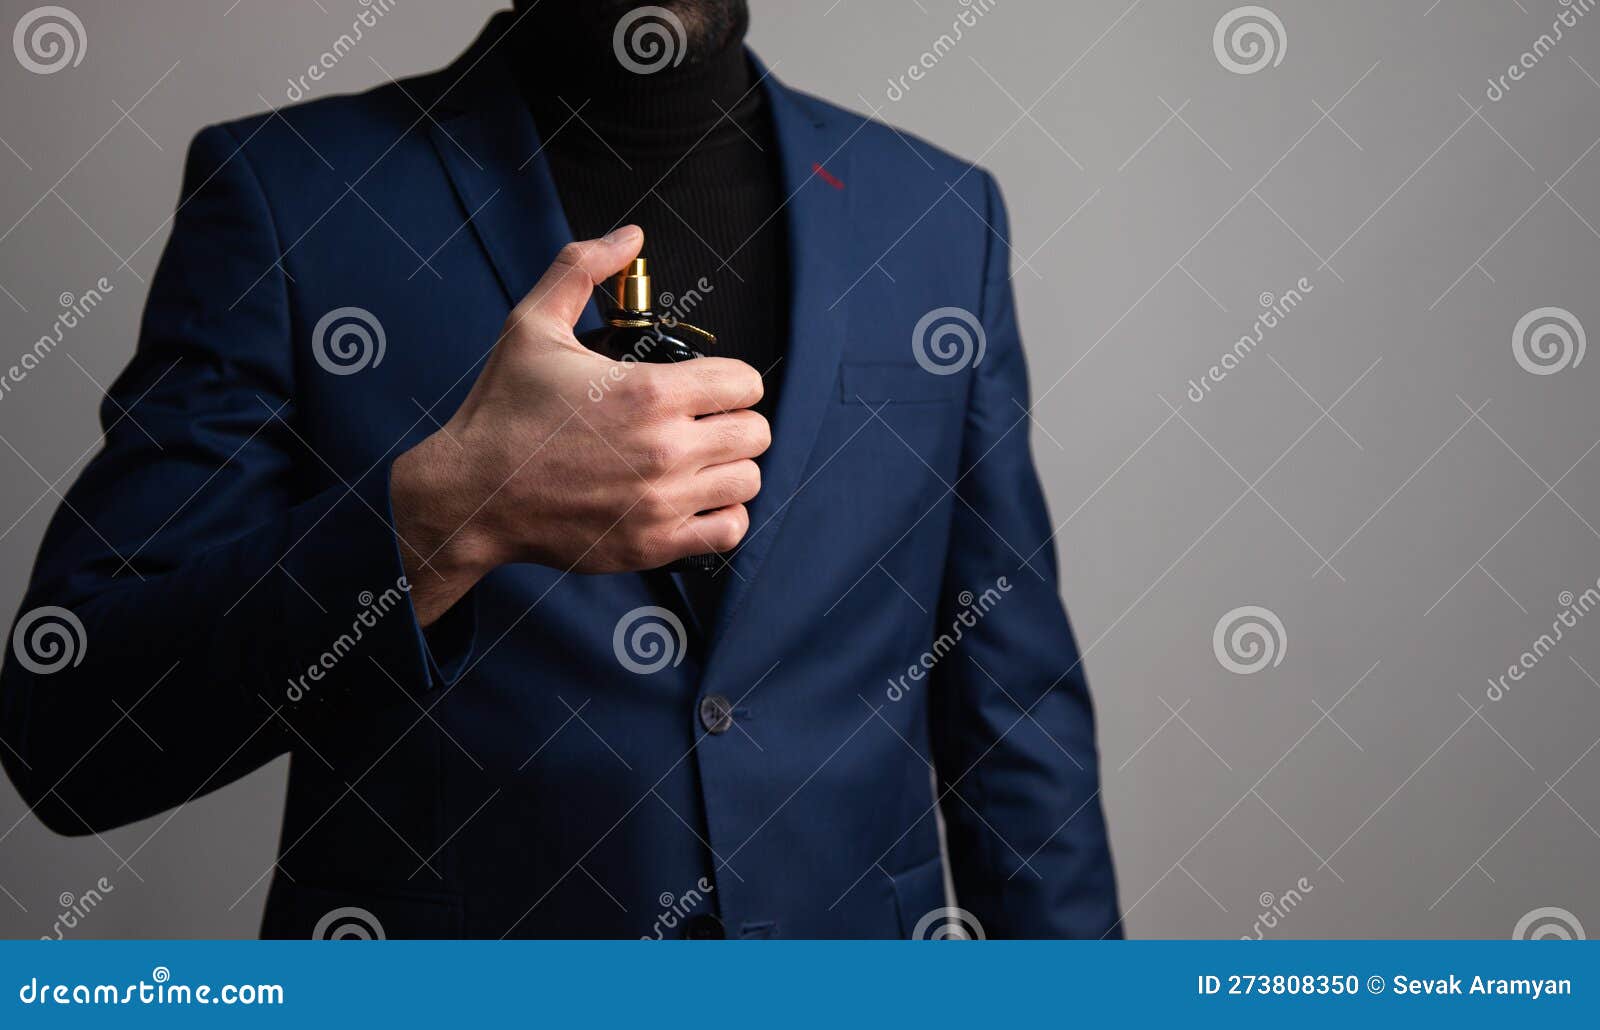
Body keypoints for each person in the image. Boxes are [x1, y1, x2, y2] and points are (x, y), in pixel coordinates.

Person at [0, 1, 1120, 938]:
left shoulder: (938, 213)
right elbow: (72, 733)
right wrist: (442, 519)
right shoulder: (288, 193)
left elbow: (1014, 708)